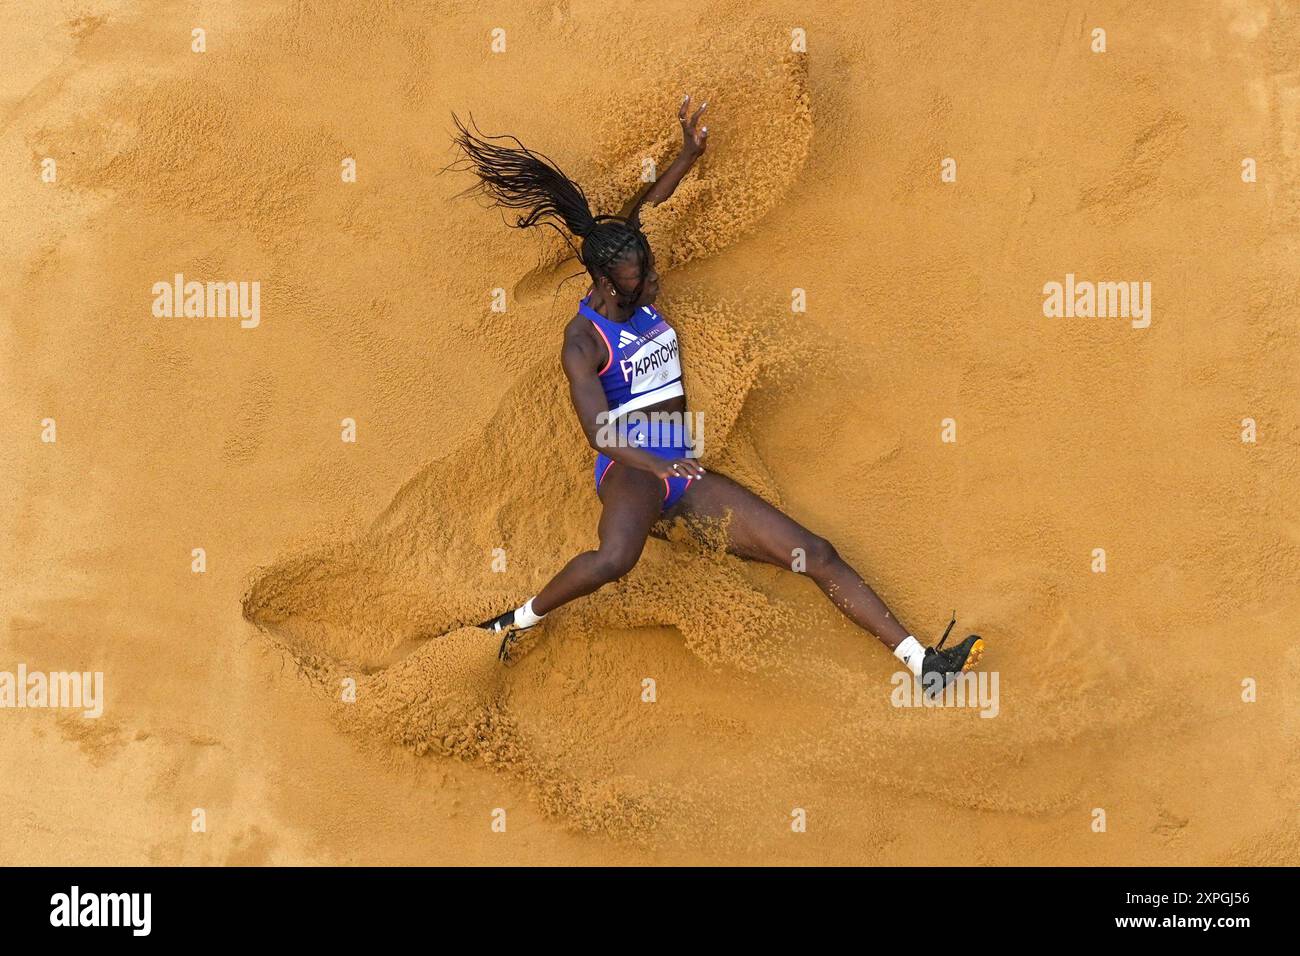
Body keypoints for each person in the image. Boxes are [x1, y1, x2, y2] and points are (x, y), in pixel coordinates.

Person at [450, 96, 984, 690]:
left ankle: (923, 665)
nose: (654, 284)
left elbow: (644, 215)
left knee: (814, 552)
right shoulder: (582, 340)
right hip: (632, 470)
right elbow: (600, 433)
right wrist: (658, 464)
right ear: (605, 284)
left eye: (650, 271)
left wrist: (686, 156)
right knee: (615, 559)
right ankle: (514, 620)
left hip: (684, 474)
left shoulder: (626, 261)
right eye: (641, 282)